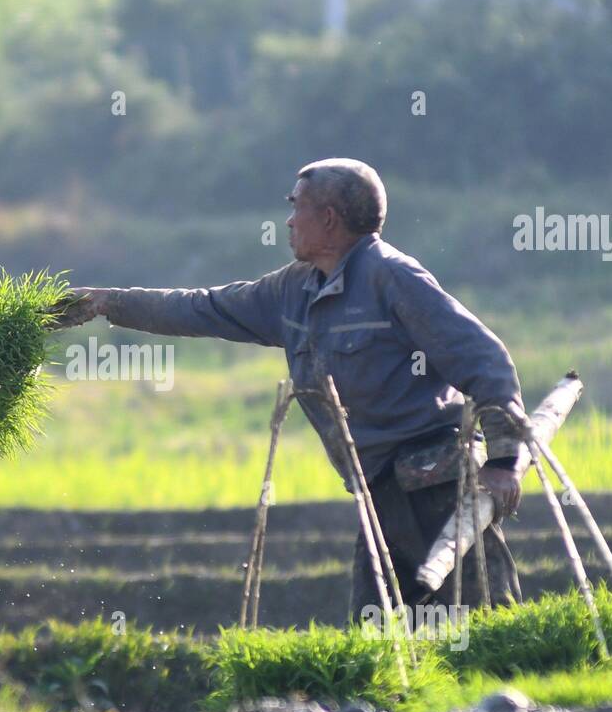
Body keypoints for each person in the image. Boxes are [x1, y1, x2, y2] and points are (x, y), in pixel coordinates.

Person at [52, 158, 526, 622]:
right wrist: (106, 303)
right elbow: (204, 308)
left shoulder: (394, 278)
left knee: (480, 622)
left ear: (328, 219)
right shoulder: (293, 290)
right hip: (375, 490)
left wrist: (505, 463)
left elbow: (483, 359)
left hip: (436, 486)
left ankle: (511, 700)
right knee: (381, 633)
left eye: (296, 207)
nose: (288, 220)